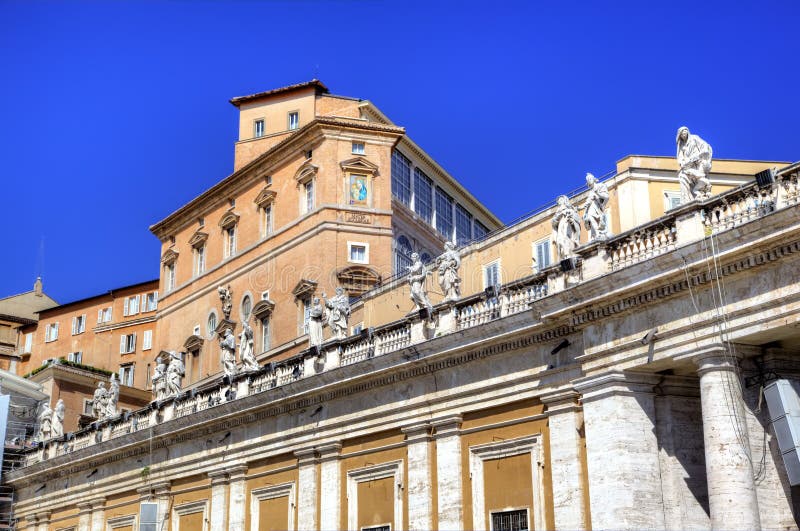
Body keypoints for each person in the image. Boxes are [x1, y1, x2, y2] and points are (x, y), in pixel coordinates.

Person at [676, 126, 713, 203]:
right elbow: (680, 157)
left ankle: (702, 193)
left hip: (698, 161)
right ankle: (688, 199)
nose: (684, 135)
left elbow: (705, 146)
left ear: (688, 132)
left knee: (701, 178)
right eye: (682, 134)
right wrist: (683, 163)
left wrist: (701, 155)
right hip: (689, 164)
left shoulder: (694, 138)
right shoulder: (681, 145)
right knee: (682, 176)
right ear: (680, 135)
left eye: (685, 132)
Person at [552, 195, 581, 260]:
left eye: (561, 200)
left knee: (567, 239)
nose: (559, 202)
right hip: (560, 227)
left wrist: (571, 220)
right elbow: (553, 223)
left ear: (565, 201)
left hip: (568, 226)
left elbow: (577, 220)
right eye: (558, 201)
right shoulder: (557, 213)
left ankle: (568, 255)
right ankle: (564, 256)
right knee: (560, 241)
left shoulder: (570, 210)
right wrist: (560, 215)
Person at [582, 173, 610, 241]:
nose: (589, 180)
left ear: (594, 179)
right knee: (590, 216)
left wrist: (598, 194)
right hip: (592, 207)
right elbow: (587, 203)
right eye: (588, 180)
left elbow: (606, 197)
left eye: (590, 178)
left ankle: (599, 232)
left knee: (596, 218)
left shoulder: (601, 185)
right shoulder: (590, 192)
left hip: (598, 207)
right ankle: (597, 233)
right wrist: (582, 209)